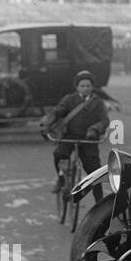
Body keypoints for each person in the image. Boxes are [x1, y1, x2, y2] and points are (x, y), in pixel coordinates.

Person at [45, 70, 109, 204]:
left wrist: (95, 129)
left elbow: (104, 121)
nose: (85, 88)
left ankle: (100, 203)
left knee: (95, 172)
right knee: (58, 155)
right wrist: (48, 122)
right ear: (77, 87)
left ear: (92, 87)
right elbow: (59, 111)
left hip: (89, 139)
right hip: (70, 136)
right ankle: (62, 179)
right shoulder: (69, 99)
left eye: (88, 86)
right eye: (82, 86)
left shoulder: (98, 102)